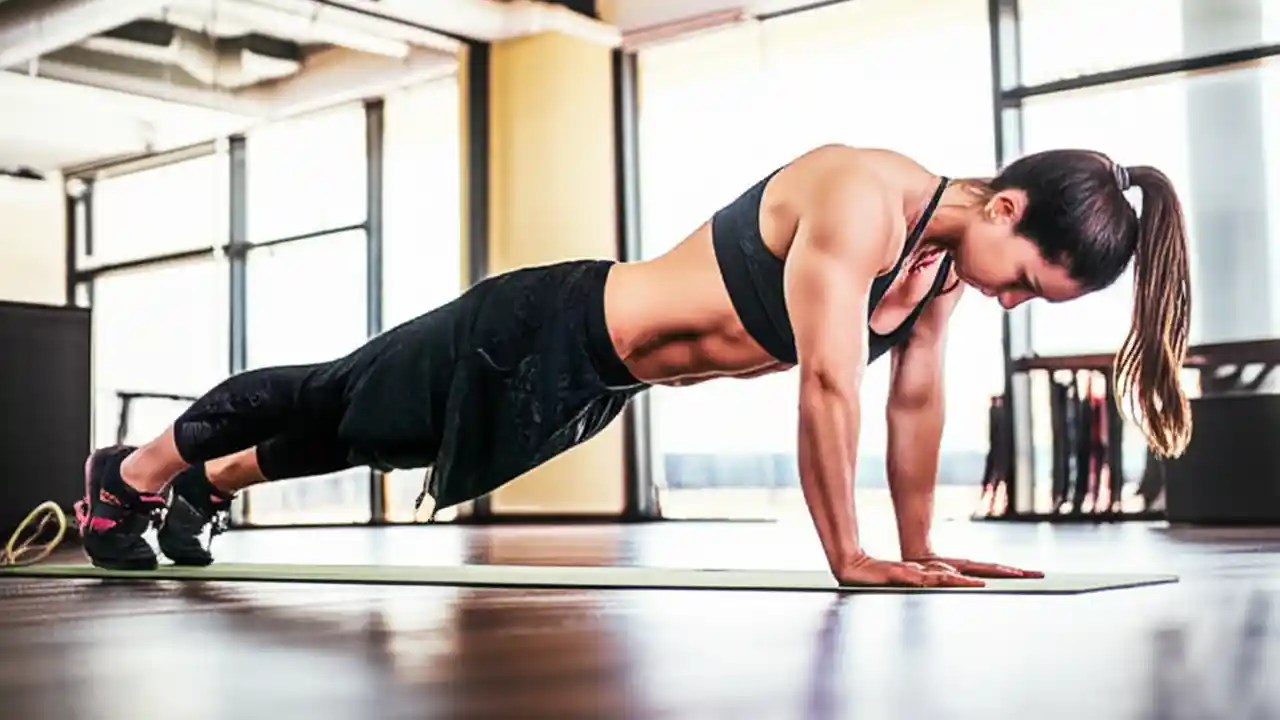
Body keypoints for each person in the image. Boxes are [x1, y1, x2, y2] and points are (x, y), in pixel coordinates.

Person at [75, 144, 1193, 587]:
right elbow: (826, 383)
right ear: (1003, 207)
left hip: (596, 387)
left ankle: (204, 491)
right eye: (1019, 280)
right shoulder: (864, 196)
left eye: (1025, 302)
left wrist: (919, 549)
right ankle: (128, 475)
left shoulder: (940, 276)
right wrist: (846, 554)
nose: (1003, 301)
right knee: (337, 394)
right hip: (543, 324)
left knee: (375, 439)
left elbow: (913, 406)